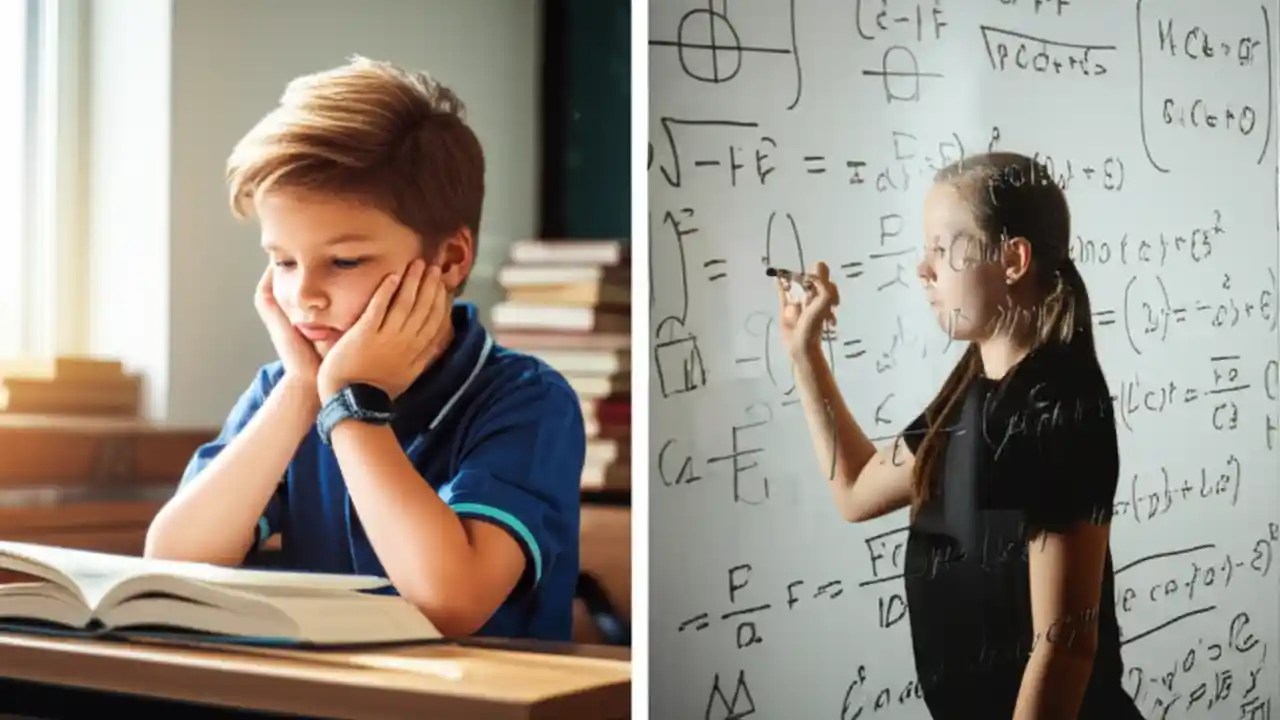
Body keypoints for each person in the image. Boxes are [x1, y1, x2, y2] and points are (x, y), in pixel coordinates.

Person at [144, 56, 586, 642]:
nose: (304, 295)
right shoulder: (286, 390)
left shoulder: (528, 402)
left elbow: (450, 603)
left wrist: (350, 407)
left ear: (451, 260)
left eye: (344, 261)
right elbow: (173, 562)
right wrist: (304, 392)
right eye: (282, 261)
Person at [776, 152, 1143, 718]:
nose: (923, 270)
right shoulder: (969, 393)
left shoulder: (1059, 405)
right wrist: (806, 355)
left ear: (1012, 258)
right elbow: (853, 488)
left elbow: (1065, 647)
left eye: (943, 249)